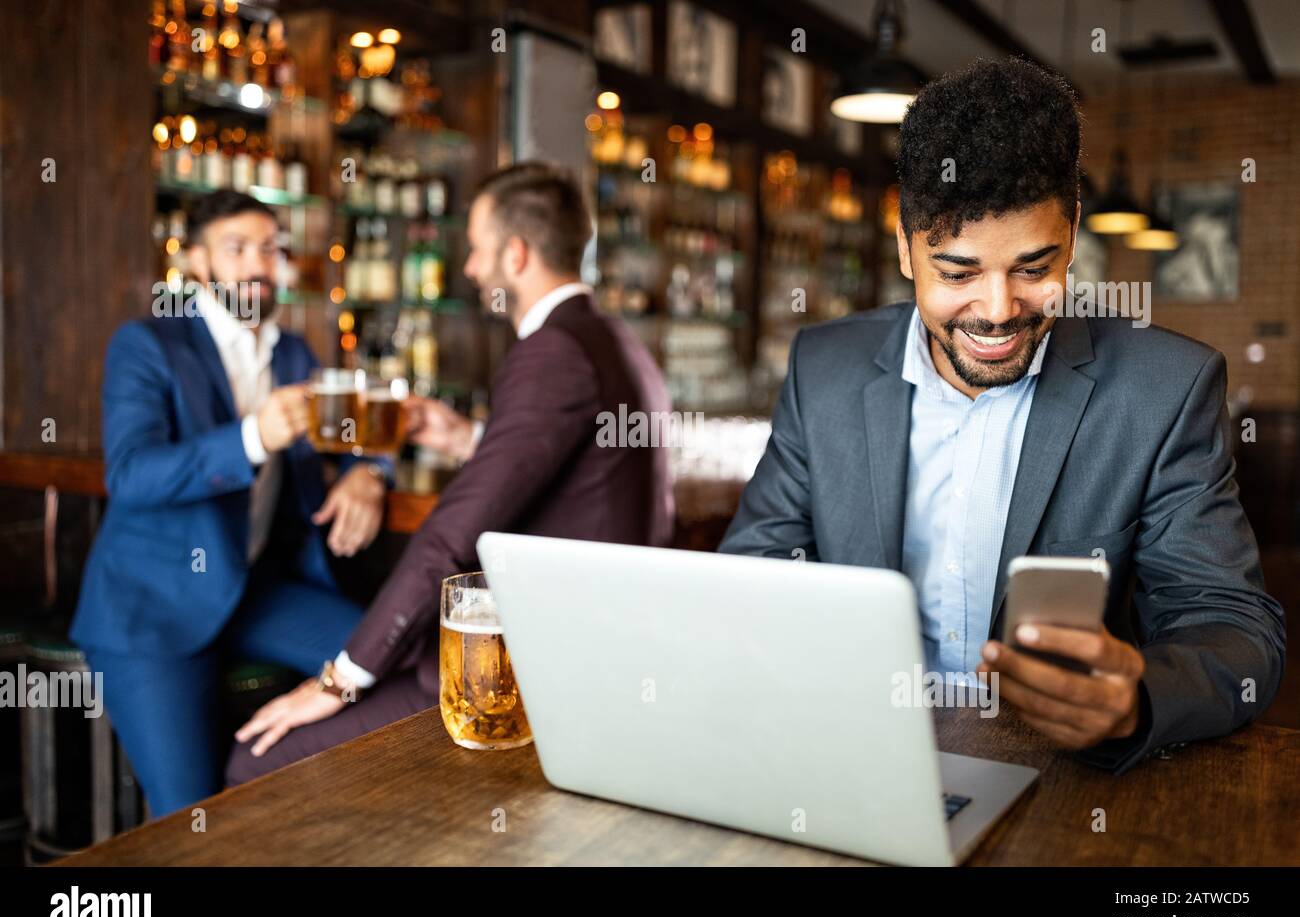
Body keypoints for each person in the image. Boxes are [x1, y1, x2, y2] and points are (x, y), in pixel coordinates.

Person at [720, 58, 1284, 773]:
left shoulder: (1165, 390)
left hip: (1057, 782)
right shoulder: (824, 370)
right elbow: (754, 573)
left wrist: (1137, 698)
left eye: (1032, 268)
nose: (997, 310)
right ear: (903, 246)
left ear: (1073, 236)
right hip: (851, 762)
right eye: (957, 273)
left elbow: (1235, 630)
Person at [226, 162, 674, 781]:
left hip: (531, 672)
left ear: (515, 255)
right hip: (606, 648)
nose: (467, 268)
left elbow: (450, 536)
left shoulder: (551, 352)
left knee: (257, 764)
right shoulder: (613, 339)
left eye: (476, 249)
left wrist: (338, 681)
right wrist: (472, 440)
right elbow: (581, 471)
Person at [70, 190, 387, 815]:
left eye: (270, 250)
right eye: (236, 249)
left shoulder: (295, 353)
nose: (257, 265)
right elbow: (131, 475)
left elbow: (359, 429)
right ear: (198, 263)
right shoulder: (146, 345)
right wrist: (251, 438)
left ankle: (299, 810)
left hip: (258, 591)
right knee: (191, 816)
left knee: (388, 663)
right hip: (154, 605)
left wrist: (368, 474)